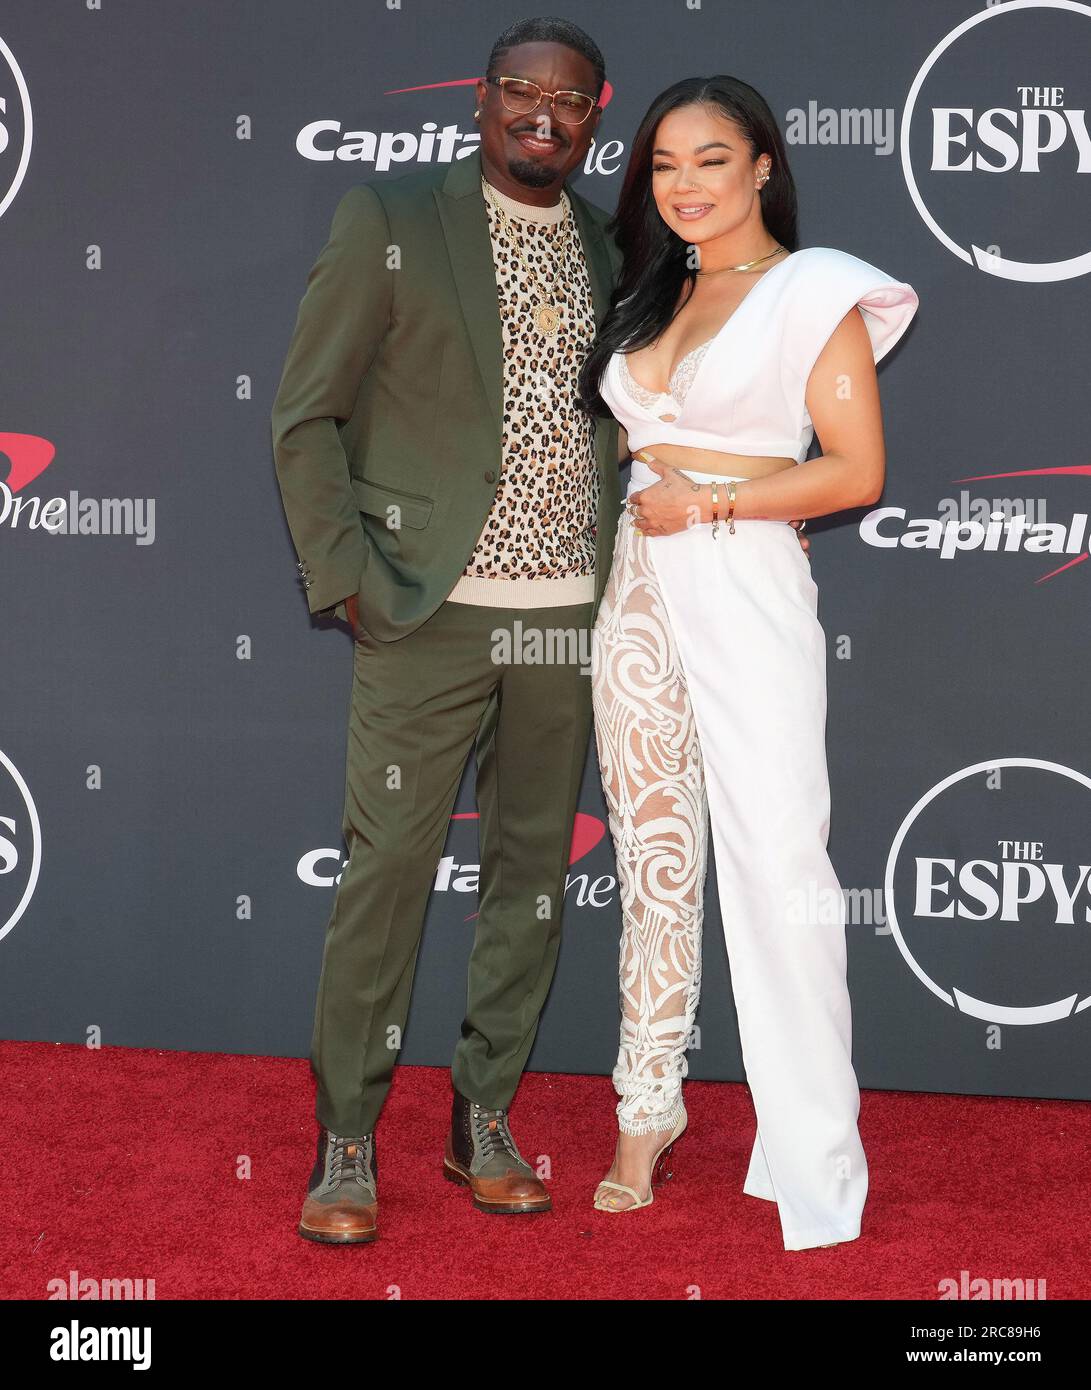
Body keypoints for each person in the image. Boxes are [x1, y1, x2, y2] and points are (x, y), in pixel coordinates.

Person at [270, 17, 624, 1243]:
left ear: (595, 113)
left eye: (566, 99)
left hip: (557, 624)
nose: (542, 113)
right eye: (519, 91)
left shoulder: (604, 243)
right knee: (386, 876)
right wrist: (347, 578)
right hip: (426, 610)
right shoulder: (393, 217)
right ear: (479, 101)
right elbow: (303, 416)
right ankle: (346, 1139)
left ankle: (482, 1120)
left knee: (531, 878)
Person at [577, 74, 919, 1250]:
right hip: (637, 590)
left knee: (778, 863)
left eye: (708, 160)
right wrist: (665, 518)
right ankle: (644, 1111)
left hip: (743, 581)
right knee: (655, 854)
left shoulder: (811, 290)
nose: (682, 185)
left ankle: (811, 1146)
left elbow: (854, 472)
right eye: (663, 165)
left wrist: (714, 505)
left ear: (762, 164)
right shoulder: (652, 288)